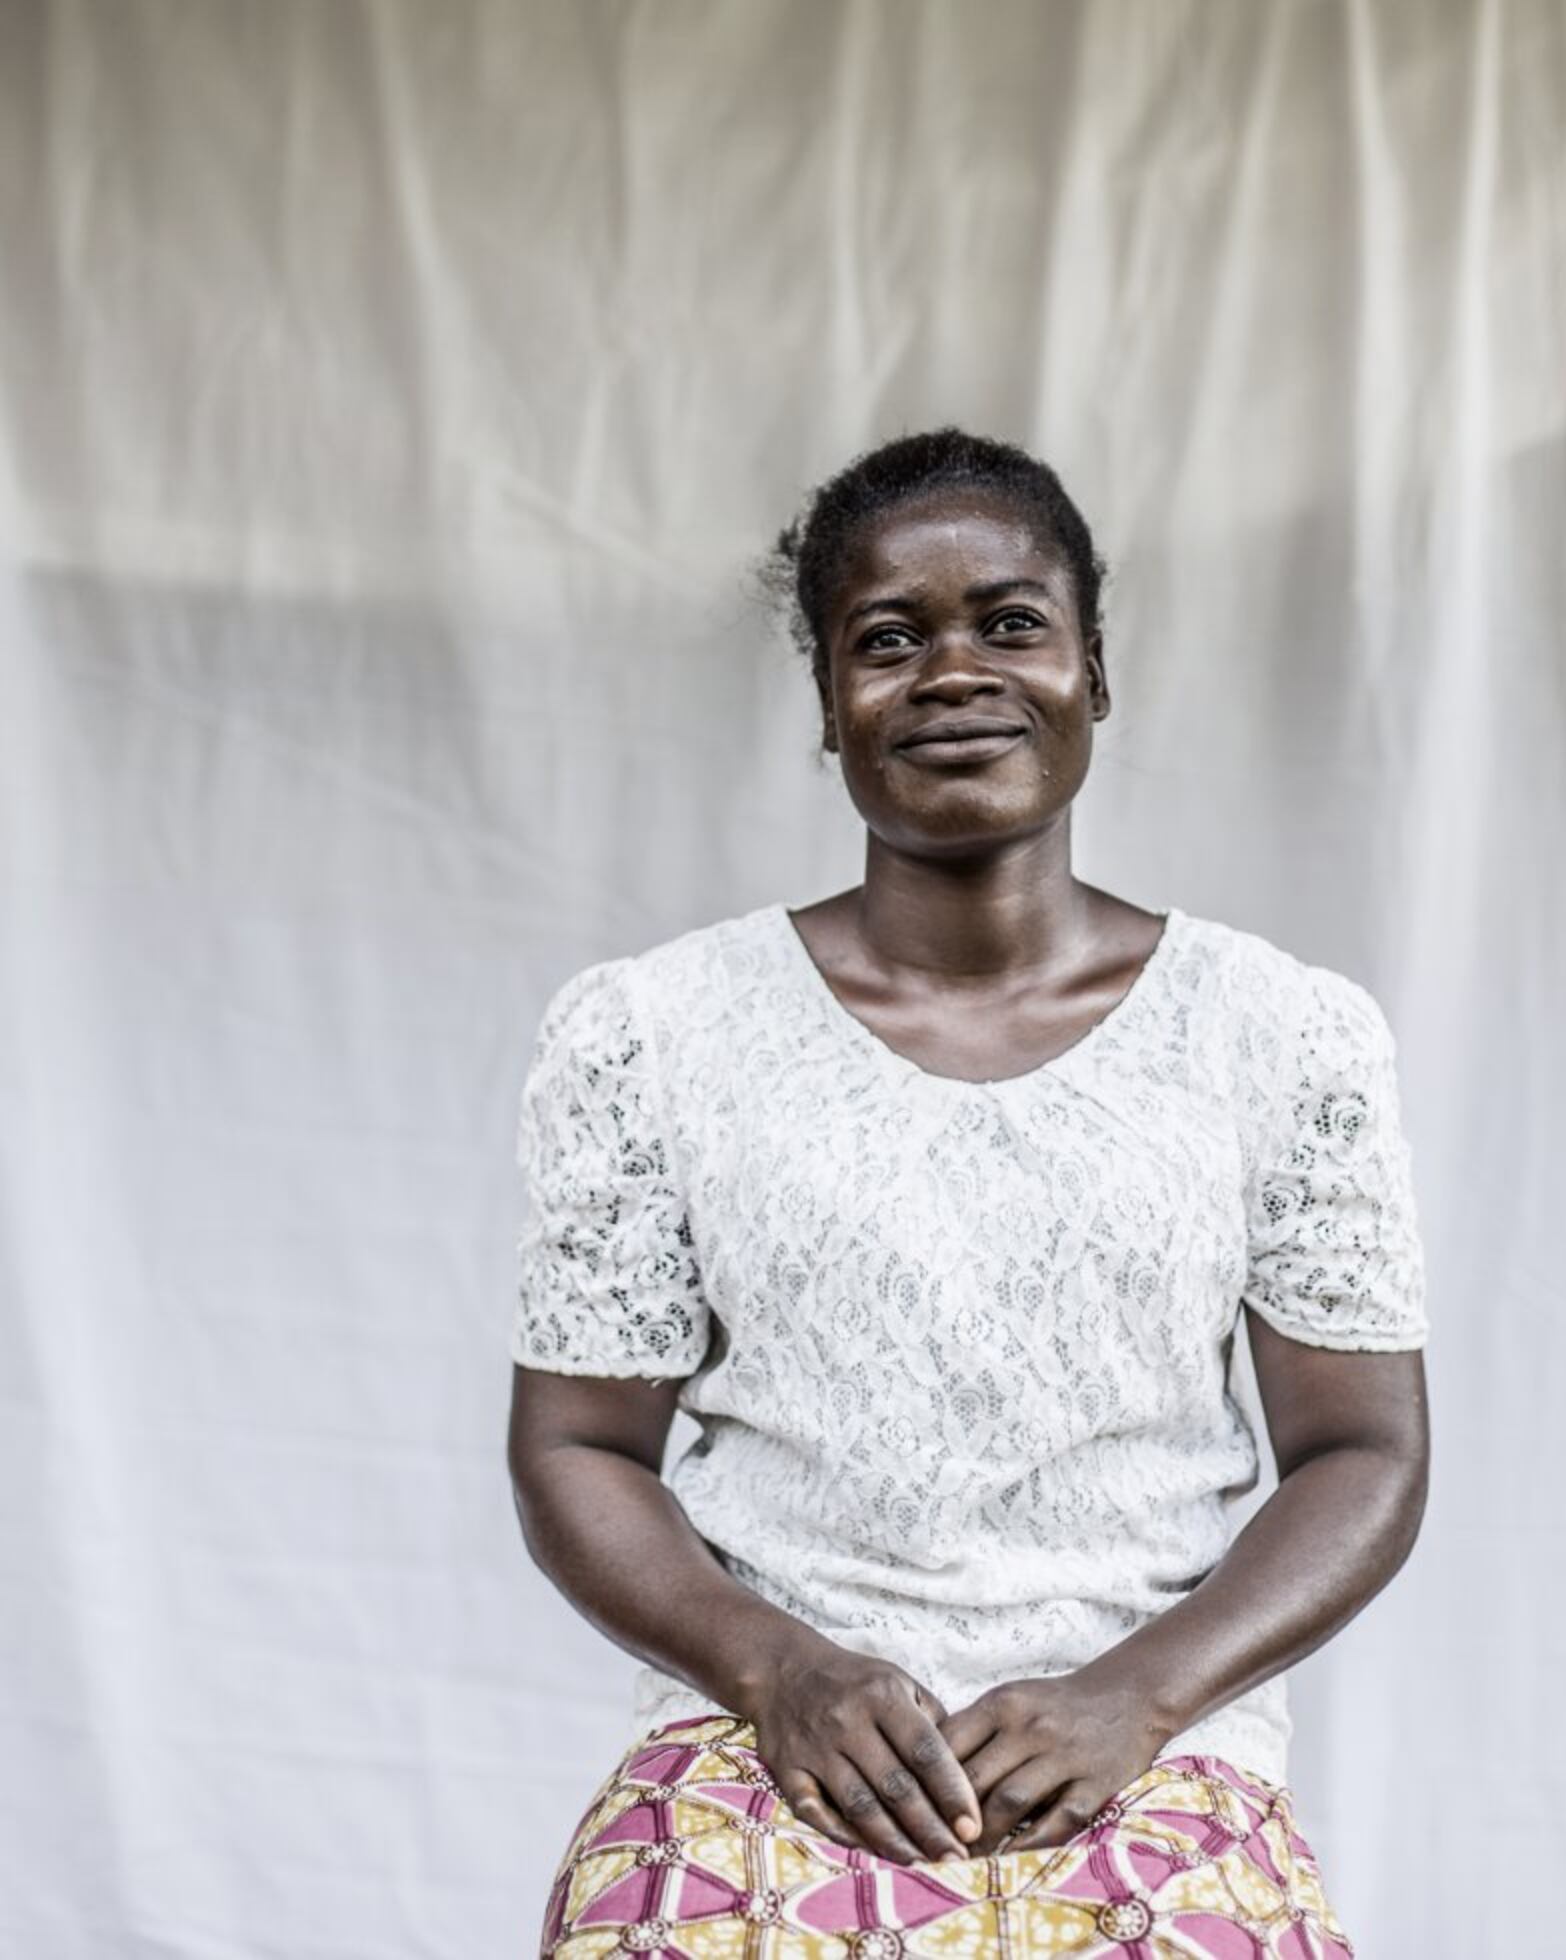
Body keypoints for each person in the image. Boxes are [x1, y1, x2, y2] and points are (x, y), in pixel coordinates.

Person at [505, 427, 1431, 1958]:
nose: (953, 672)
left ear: (1095, 672)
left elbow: (1362, 1451)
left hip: (1154, 1746)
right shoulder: (649, 1035)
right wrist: (777, 1669)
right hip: (768, 1752)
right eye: (888, 639)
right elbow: (579, 1448)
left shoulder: (1281, 1034)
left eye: (1010, 623)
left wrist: (1139, 1693)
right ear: (827, 702)